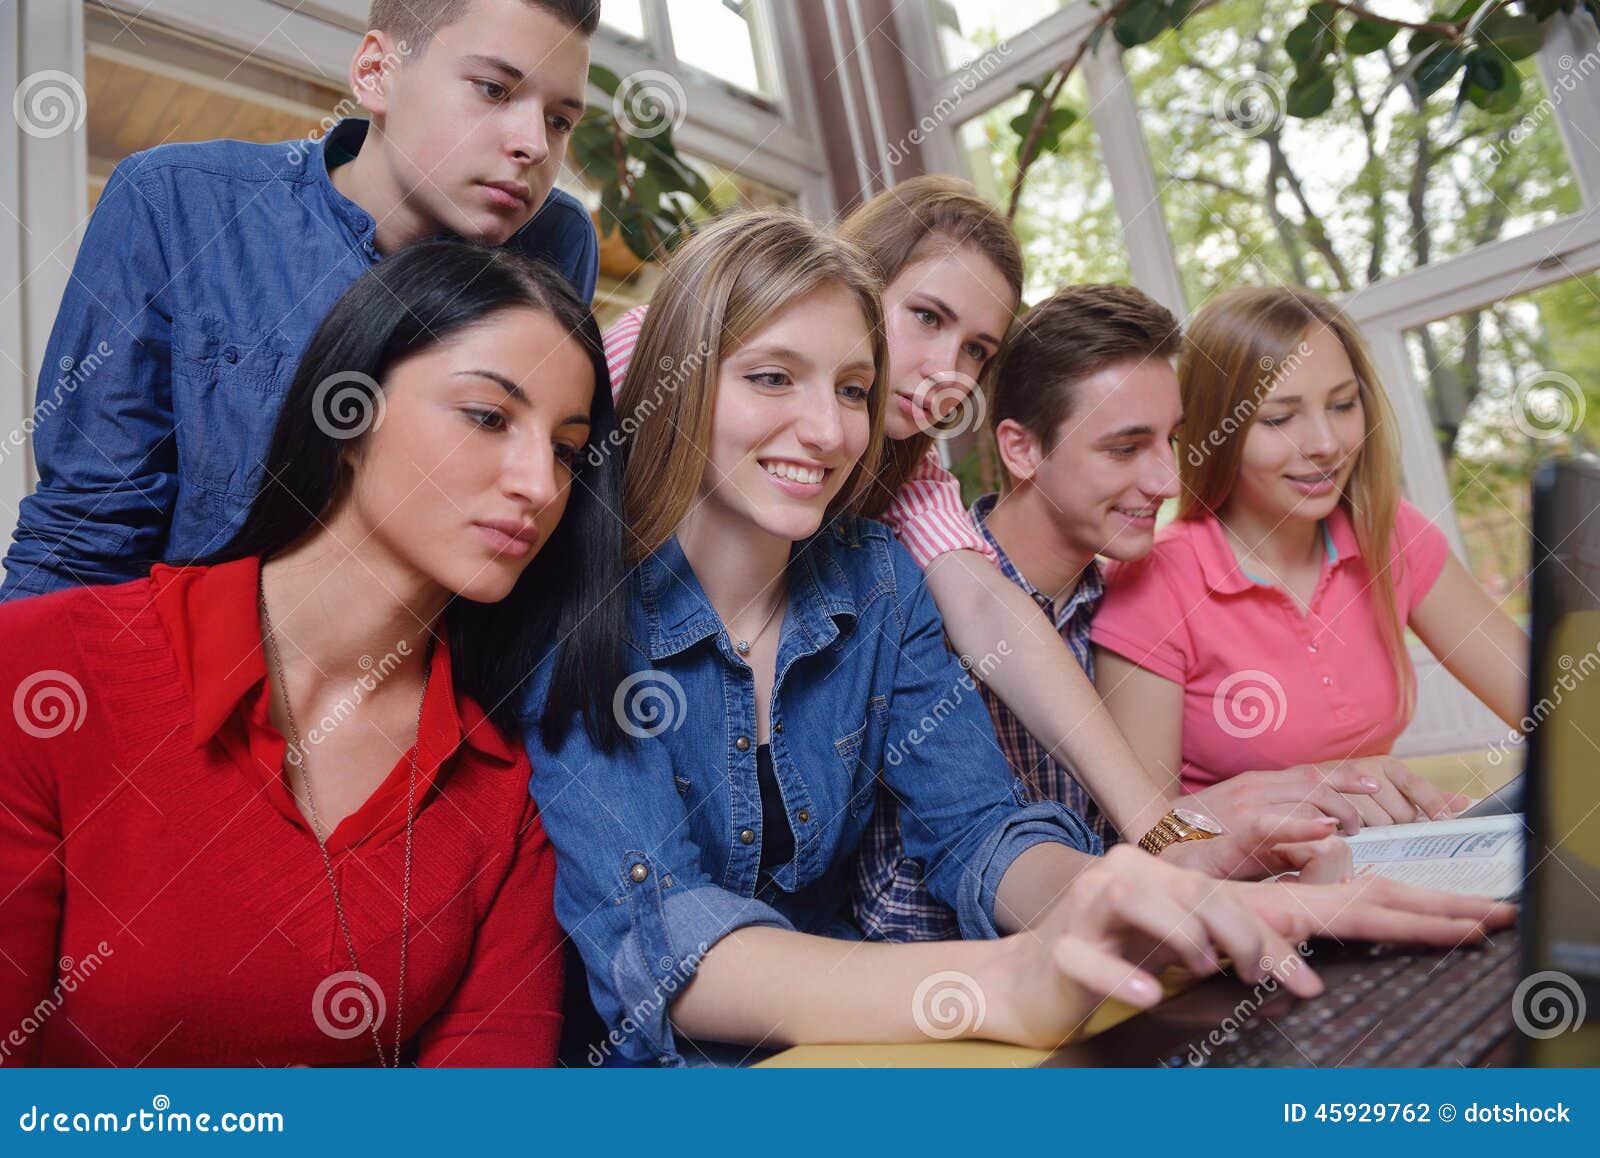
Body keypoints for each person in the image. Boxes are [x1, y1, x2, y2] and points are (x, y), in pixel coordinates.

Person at [524, 209, 1513, 1068]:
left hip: (859, 1050)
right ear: (682, 380)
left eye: (854, 391)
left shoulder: (879, 575)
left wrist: (1140, 883)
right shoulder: (575, 600)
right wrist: (1007, 978)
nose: (825, 431)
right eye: (772, 377)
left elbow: (981, 833)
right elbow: (667, 949)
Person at [0, 240, 626, 1066]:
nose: (539, 486)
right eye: (488, 417)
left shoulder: (505, 790)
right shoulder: (46, 668)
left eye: (566, 450)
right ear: (348, 416)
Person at [1, 0, 602, 600]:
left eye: (559, 121)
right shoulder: (178, 204)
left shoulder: (557, 241)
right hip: (194, 671)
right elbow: (85, 535)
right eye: (494, 89)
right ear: (376, 73)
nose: (534, 146)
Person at [1092, 286, 1529, 804]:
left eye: (1343, 405)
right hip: (1243, 883)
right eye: (1279, 418)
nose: (1325, 443)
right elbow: (1148, 835)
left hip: (1382, 866)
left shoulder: (1386, 532)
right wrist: (1285, 805)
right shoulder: (1154, 584)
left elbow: (1559, 708)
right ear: (1216, 430)